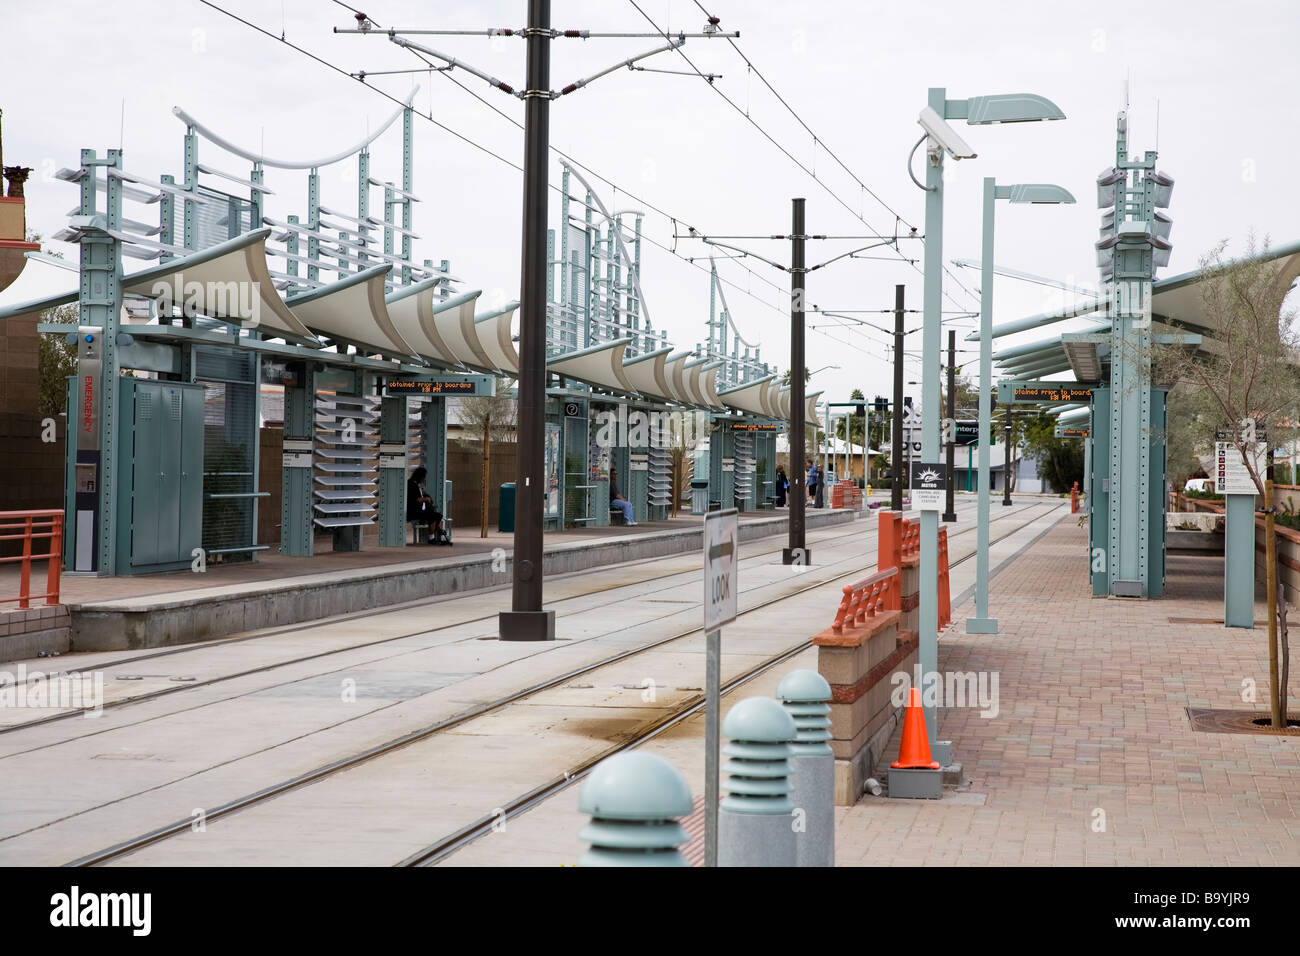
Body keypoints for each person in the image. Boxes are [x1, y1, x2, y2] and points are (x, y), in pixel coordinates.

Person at [407, 466, 447, 544]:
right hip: (413, 511)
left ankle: (435, 535)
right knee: (433, 517)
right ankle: (431, 538)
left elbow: (421, 496)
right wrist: (426, 499)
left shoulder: (415, 485)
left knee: (438, 516)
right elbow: (417, 499)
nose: (424, 479)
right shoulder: (411, 485)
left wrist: (427, 497)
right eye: (423, 477)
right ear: (420, 477)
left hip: (419, 510)